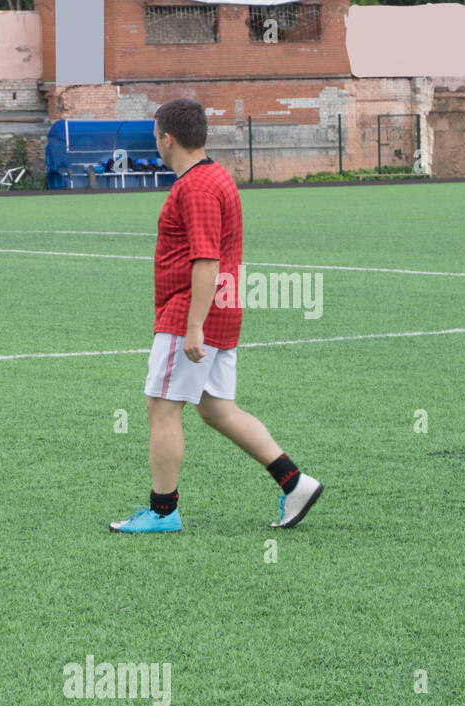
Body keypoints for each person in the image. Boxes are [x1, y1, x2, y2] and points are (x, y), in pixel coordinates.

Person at [110, 98, 323, 533]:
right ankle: (294, 482)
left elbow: (205, 260)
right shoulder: (215, 177)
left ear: (168, 139)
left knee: (161, 409)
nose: (157, 144)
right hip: (218, 311)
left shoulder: (197, 186)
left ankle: (162, 512)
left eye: (156, 137)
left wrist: (192, 327)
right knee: (217, 409)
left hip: (192, 313)